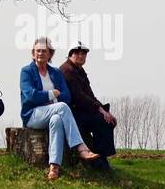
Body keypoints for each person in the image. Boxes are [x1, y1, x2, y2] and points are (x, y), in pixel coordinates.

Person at [19, 37, 100, 181]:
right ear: (33, 53)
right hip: (33, 115)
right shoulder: (26, 71)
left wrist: (52, 103)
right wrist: (51, 94)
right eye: (38, 51)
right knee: (61, 107)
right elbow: (30, 96)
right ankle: (81, 148)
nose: (41, 54)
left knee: (57, 119)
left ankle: (54, 167)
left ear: (50, 54)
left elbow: (67, 96)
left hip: (52, 113)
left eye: (44, 51)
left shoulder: (55, 73)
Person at [59, 42, 117, 171]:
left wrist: (104, 109)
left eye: (83, 53)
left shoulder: (79, 70)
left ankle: (101, 157)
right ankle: (100, 161)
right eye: (77, 53)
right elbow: (79, 97)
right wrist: (100, 110)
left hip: (81, 109)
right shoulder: (67, 70)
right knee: (102, 121)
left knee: (106, 120)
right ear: (70, 55)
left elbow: (89, 94)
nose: (81, 56)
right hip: (72, 113)